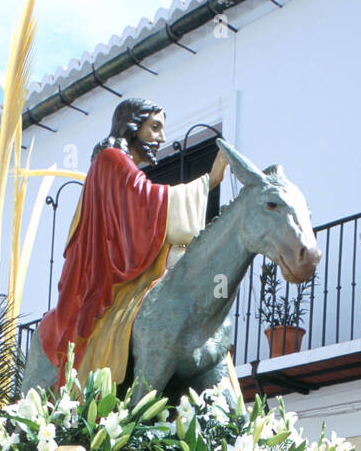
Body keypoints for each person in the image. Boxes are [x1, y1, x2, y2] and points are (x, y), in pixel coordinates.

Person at [38, 98, 227, 388]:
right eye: (154, 128)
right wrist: (209, 181)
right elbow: (145, 202)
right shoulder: (111, 159)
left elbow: (138, 209)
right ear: (132, 127)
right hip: (104, 276)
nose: (162, 138)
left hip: (121, 266)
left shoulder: (117, 164)